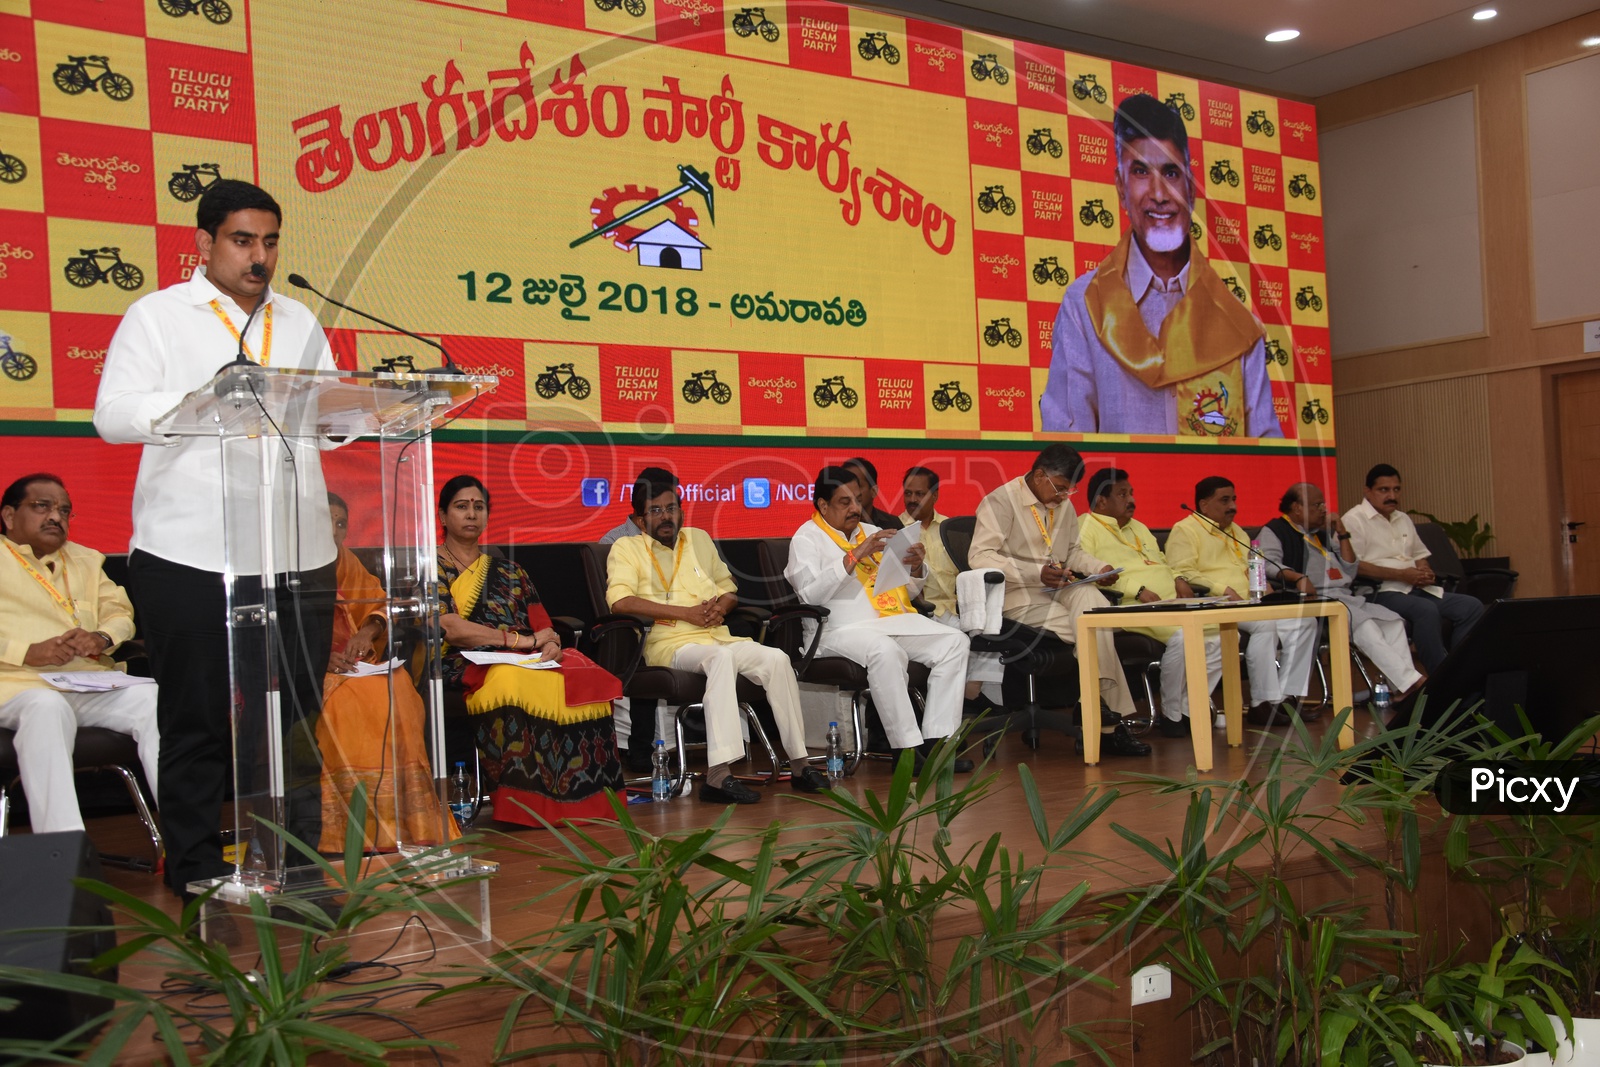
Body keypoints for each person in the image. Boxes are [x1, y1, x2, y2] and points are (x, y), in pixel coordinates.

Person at [94, 179, 338, 899]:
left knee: (293, 723)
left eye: (269, 242)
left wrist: (359, 413)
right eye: (242, 241)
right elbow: (112, 414)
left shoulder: (299, 319)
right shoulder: (159, 316)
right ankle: (198, 871)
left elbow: (326, 411)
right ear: (203, 243)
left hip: (297, 552)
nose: (258, 257)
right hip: (190, 553)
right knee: (196, 721)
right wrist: (204, 399)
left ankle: (295, 868)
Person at [1039, 94, 1281, 438]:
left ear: (1191, 188)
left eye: (1171, 172)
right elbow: (1066, 447)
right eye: (1140, 171)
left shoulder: (1237, 324)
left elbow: (1268, 458)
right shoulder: (1085, 307)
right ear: (1121, 187)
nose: (1158, 193)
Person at [606, 467, 831, 803]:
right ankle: (718, 776)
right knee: (721, 659)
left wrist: (721, 608)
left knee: (776, 659)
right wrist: (687, 614)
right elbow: (620, 601)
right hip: (669, 645)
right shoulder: (625, 548)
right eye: (655, 511)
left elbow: (729, 589)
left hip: (717, 635)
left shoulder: (698, 539)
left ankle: (800, 765)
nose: (665, 517)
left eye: (671, 508)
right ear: (639, 520)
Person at [436, 475, 624, 826]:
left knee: (586, 673)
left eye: (479, 507)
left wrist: (551, 644)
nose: (471, 514)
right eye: (462, 506)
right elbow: (451, 629)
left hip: (524, 658)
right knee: (510, 679)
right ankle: (523, 806)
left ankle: (586, 801)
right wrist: (516, 642)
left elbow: (544, 626)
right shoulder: (432, 568)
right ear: (443, 517)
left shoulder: (510, 571)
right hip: (460, 661)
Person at [0, 473, 159, 834]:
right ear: (9, 516)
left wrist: (101, 638)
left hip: (85, 681)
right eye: (42, 506)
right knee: (45, 706)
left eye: (64, 510)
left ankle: (189, 843)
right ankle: (65, 851)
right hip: (14, 685)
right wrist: (26, 652)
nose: (56, 516)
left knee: (153, 698)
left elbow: (120, 613)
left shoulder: (86, 560)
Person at [967, 445, 1151, 757]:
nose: (1065, 496)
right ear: (1039, 475)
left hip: (1058, 586)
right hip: (1014, 594)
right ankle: (1105, 721)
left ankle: (1092, 706)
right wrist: (1034, 573)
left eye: (1071, 489)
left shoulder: (1061, 504)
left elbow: (1072, 553)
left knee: (1095, 607)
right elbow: (979, 556)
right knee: (1088, 626)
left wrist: (1098, 568)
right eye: (1061, 488)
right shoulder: (1000, 501)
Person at [786, 466, 972, 772]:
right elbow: (810, 596)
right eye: (844, 502)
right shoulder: (807, 539)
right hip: (836, 631)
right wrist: (855, 555)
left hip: (892, 621)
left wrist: (915, 568)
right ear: (822, 505)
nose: (856, 509)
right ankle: (906, 751)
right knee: (885, 650)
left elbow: (907, 591)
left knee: (955, 642)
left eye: (857, 500)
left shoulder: (874, 534)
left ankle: (938, 743)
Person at [316, 493, 455, 851]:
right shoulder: (289, 567)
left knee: (396, 683)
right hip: (315, 672)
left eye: (341, 523)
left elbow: (378, 604)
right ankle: (355, 831)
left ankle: (409, 825)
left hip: (360, 664)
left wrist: (365, 632)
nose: (333, 531)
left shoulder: (344, 561)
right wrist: (319, 659)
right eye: (325, 521)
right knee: (360, 698)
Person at [1078, 468, 1222, 738]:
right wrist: (1138, 589)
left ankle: (1190, 709)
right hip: (1129, 606)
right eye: (1122, 494)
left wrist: (1179, 578)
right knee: (1184, 636)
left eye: (1131, 493)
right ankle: (1171, 714)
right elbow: (1088, 574)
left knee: (1219, 635)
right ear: (1101, 502)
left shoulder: (1139, 527)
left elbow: (1162, 561)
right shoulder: (1085, 528)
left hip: (1170, 601)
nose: (1131, 499)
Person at [1165, 476, 1317, 725]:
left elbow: (1251, 569)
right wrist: (1221, 588)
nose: (1233, 506)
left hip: (1249, 601)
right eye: (1225, 500)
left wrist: (1267, 590)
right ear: (1203, 505)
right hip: (1216, 603)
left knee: (1305, 622)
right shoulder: (1185, 529)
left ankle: (1286, 699)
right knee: (1263, 624)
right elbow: (1181, 572)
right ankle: (1262, 703)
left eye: (1234, 499)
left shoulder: (1237, 532)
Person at [1260, 483, 1424, 709]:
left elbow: (1350, 569)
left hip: (1346, 596)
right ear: (1297, 508)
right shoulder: (1276, 530)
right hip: (1314, 600)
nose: (1323, 509)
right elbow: (1268, 563)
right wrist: (1297, 576)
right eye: (1317, 505)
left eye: (1323, 504)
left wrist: (1342, 531)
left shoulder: (1322, 534)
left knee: (1393, 622)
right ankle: (1412, 683)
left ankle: (1401, 689)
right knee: (1364, 625)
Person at [1342, 464, 1484, 673]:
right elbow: (1355, 567)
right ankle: (1440, 677)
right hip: (1378, 592)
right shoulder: (1353, 520)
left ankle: (1462, 669)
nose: (1392, 495)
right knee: (1425, 610)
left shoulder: (1403, 518)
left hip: (1415, 589)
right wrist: (1402, 575)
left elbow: (1419, 556)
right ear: (1367, 491)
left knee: (1470, 606)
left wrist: (1424, 571)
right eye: (1384, 490)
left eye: (1396, 489)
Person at [901, 465, 1005, 719]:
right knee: (956, 638)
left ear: (935, 495)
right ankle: (954, 709)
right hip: (919, 612)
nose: (912, 499)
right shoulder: (895, 530)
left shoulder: (952, 529)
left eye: (920, 494)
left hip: (956, 609)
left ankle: (971, 692)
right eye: (908, 493)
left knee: (995, 627)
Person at [842, 457, 903, 531]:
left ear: (873, 491)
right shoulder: (832, 523)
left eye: (858, 485)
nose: (850, 491)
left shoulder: (893, 524)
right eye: (845, 486)